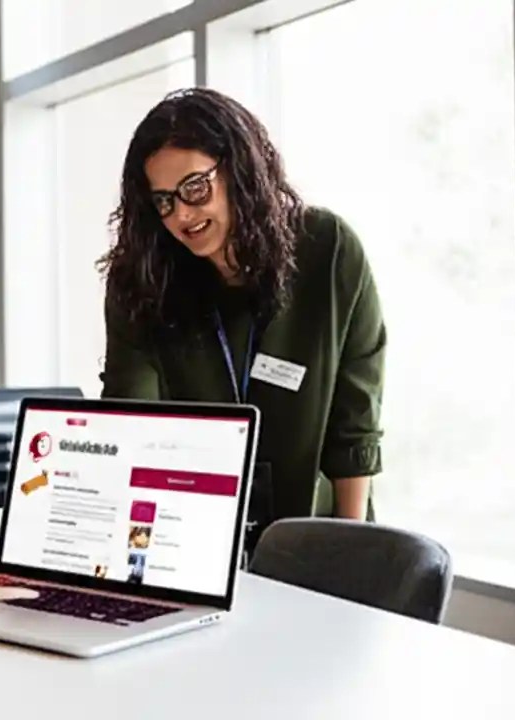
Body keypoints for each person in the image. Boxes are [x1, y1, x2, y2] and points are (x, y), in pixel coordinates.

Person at [98, 88, 385, 550]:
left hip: (315, 537)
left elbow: (355, 429)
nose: (182, 214)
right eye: (163, 201)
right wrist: (137, 555)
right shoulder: (143, 280)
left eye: (195, 188)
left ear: (238, 169)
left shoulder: (327, 250)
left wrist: (349, 555)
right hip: (189, 538)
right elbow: (130, 422)